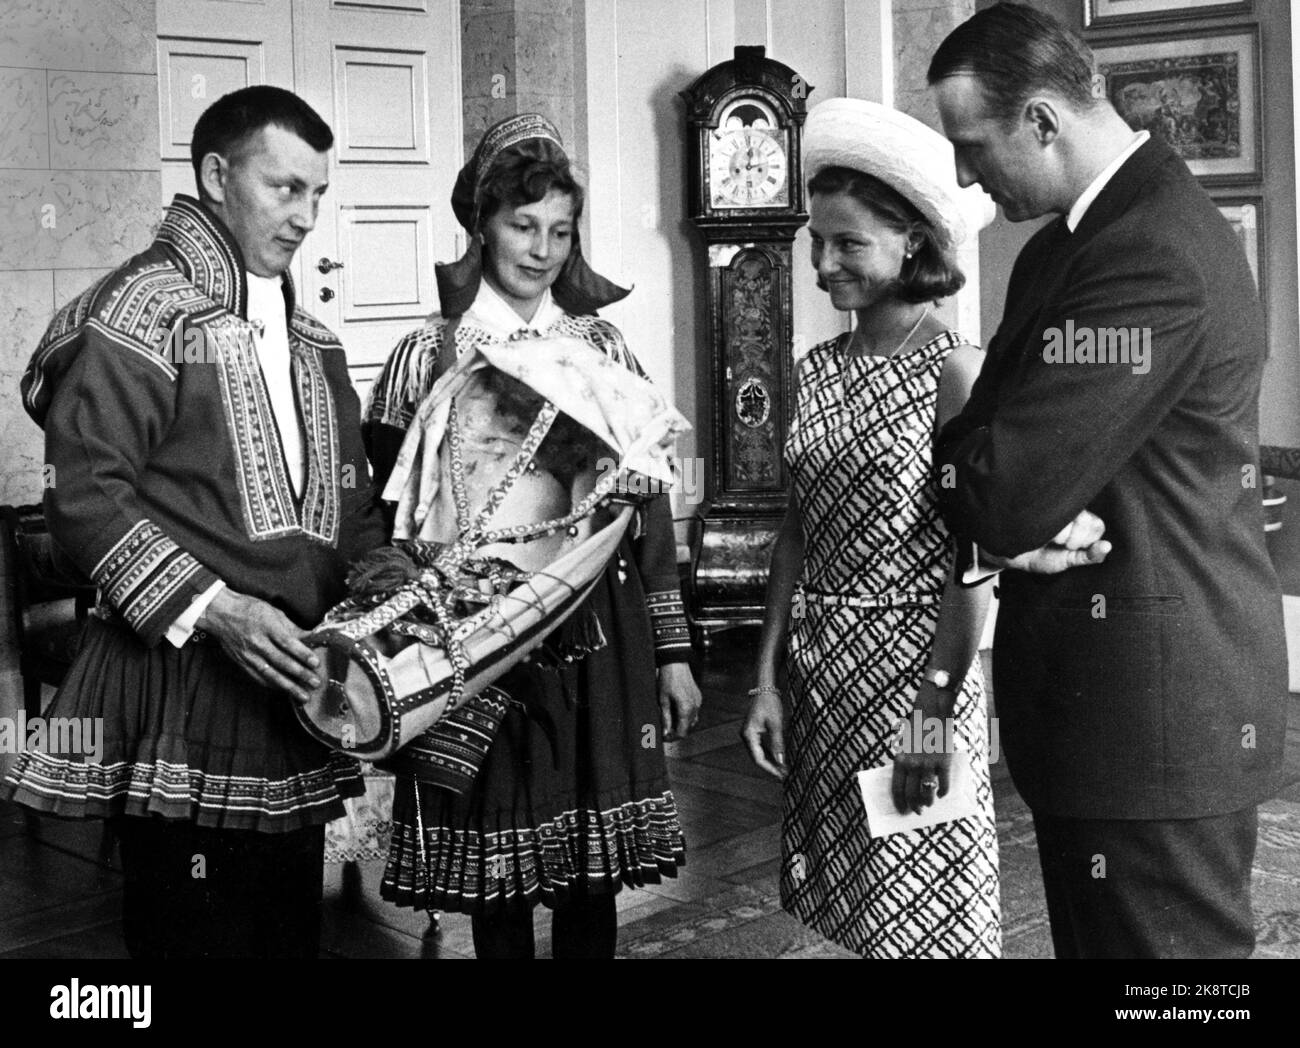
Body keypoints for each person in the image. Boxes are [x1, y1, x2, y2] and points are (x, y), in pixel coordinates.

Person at [928, 3, 1287, 958]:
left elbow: (998, 484)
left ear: (1042, 120)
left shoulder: (1148, 254)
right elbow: (986, 454)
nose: (963, 175)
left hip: (1153, 718)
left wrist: (998, 489)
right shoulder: (1067, 247)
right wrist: (996, 485)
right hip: (1104, 710)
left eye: (971, 145)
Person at [4, 85, 386, 958]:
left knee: (288, 934)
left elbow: (350, 507)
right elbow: (84, 493)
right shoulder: (141, 308)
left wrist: (388, 592)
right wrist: (220, 610)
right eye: (284, 188)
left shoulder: (315, 341)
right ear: (216, 176)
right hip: (180, 679)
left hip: (293, 684)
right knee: (190, 937)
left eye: (318, 193)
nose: (306, 217)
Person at [363, 113, 702, 960]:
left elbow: (648, 509)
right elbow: (387, 512)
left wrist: (673, 653)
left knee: (589, 874)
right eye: (523, 225)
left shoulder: (602, 346)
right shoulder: (427, 354)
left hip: (597, 631)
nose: (542, 249)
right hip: (477, 633)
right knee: (496, 869)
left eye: (561, 229)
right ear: (481, 224)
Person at [742, 98, 1000, 958]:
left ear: (912, 243)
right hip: (821, 675)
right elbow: (797, 529)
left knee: (920, 912)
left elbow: (974, 565)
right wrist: (766, 678)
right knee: (848, 907)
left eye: (848, 244)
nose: (823, 265)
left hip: (914, 677)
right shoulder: (816, 369)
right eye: (816, 242)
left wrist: (931, 717)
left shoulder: (957, 371)